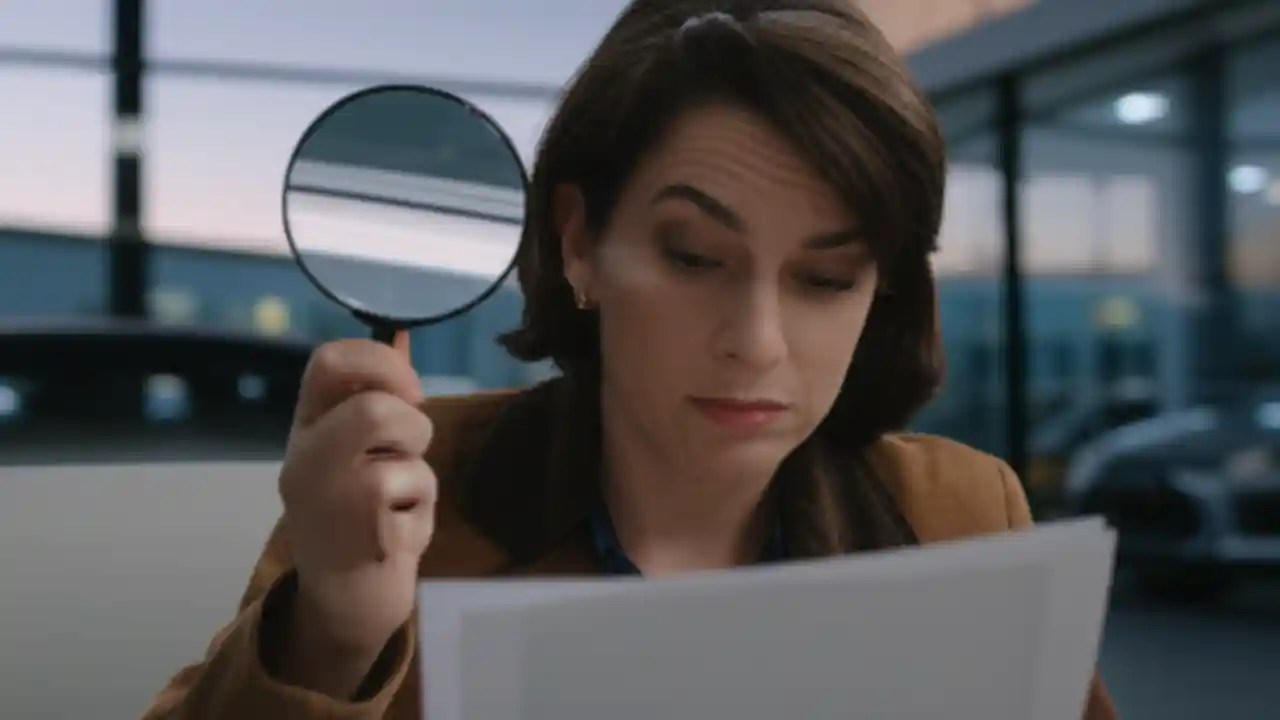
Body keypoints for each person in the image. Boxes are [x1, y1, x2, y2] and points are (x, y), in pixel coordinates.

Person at [142, 1, 1119, 718]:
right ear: (578, 243)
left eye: (826, 278)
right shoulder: (399, 500)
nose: (757, 341)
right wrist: (329, 637)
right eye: (693, 258)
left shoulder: (962, 517)